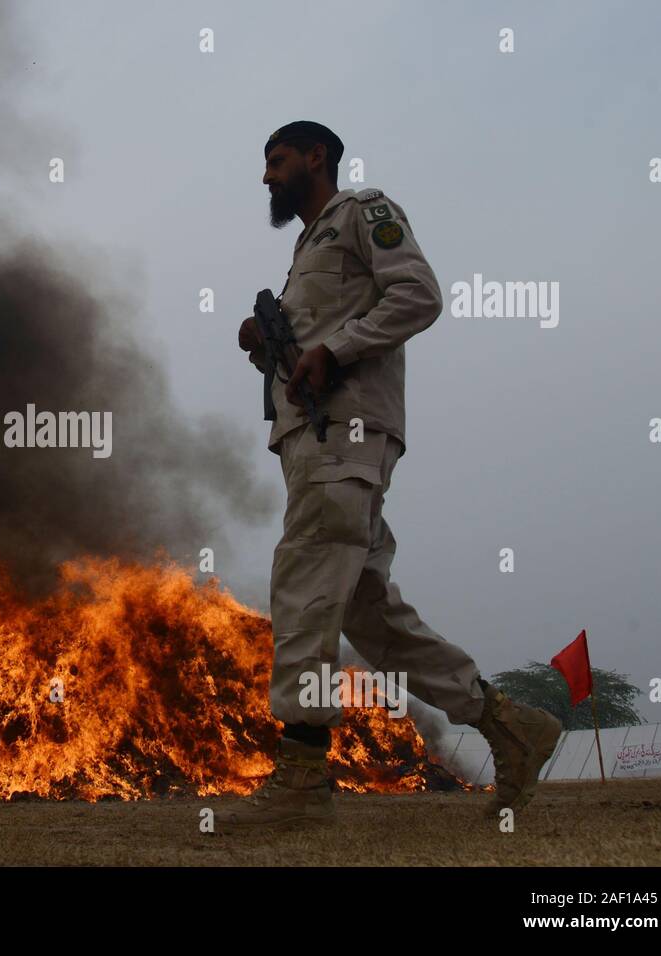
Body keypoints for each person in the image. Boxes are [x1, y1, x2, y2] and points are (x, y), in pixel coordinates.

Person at [222, 121, 562, 828]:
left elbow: (418, 295)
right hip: (317, 440)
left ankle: (303, 774)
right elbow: (309, 351)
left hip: (344, 435)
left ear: (316, 156)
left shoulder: (364, 211)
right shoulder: (307, 246)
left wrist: (337, 350)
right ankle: (510, 727)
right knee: (368, 612)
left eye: (277, 161)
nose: (266, 177)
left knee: (307, 579)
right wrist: (267, 347)